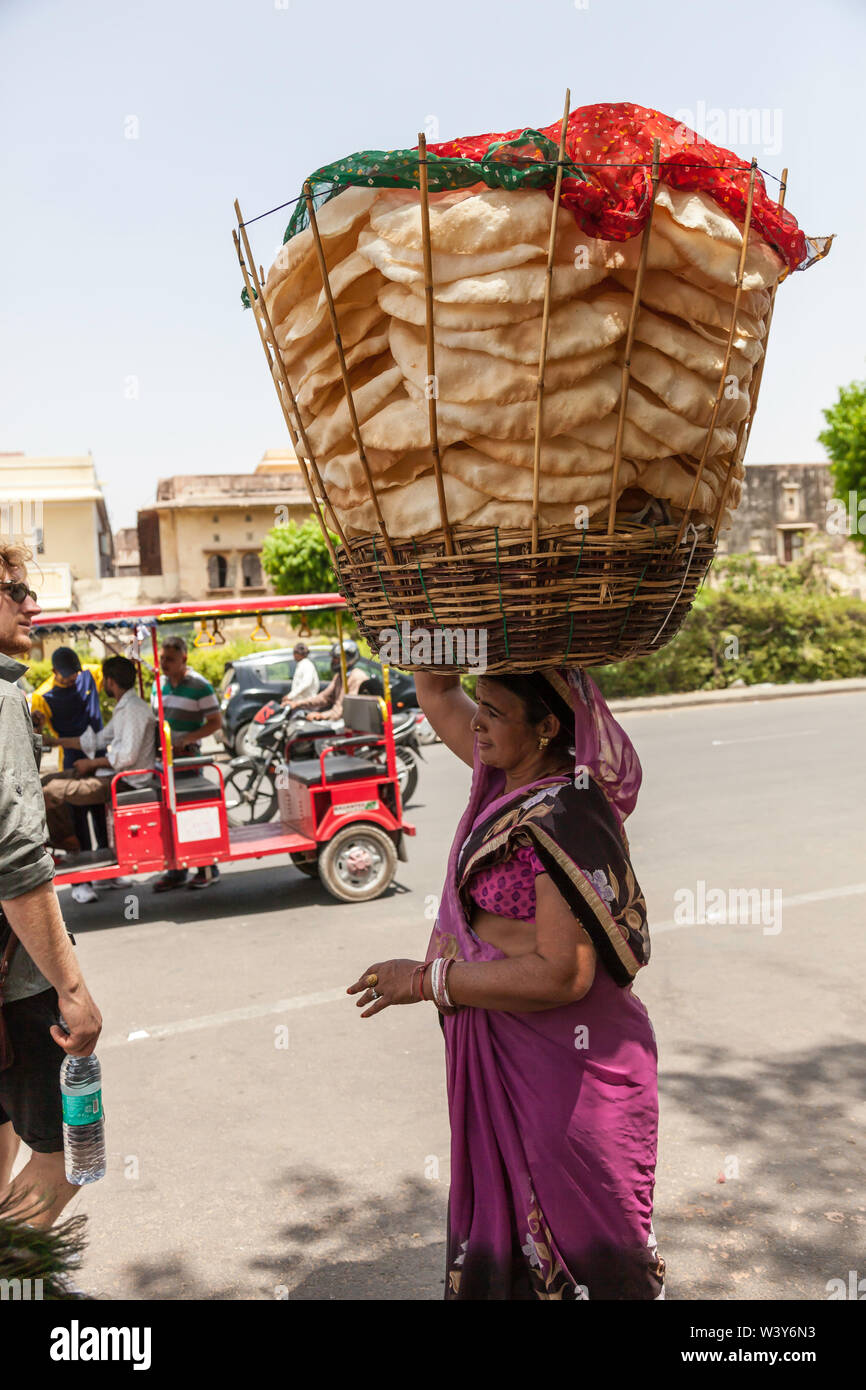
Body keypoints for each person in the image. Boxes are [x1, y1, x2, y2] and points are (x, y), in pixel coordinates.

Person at [348, 666, 665, 1301]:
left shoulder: (564, 812)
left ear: (548, 727)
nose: (478, 724)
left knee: (593, 1256)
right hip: (509, 1052)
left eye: (494, 712)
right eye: (480, 706)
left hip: (568, 1077)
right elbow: (437, 691)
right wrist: (434, 622)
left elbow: (565, 973)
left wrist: (427, 980)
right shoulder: (506, 776)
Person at [0, 543, 102, 1229]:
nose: (32, 603)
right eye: (14, 590)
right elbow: (16, 860)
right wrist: (71, 991)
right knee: (70, 1151)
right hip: (17, 983)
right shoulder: (3, 693)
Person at [41, 656, 157, 877]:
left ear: (111, 681)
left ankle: (68, 843)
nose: (102, 684)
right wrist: (55, 742)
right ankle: (67, 841)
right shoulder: (125, 707)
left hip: (125, 782)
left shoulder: (133, 710)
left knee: (50, 792)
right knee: (44, 782)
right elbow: (99, 739)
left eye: (104, 680)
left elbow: (127, 757)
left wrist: (92, 763)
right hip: (114, 774)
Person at [31, 646, 106, 902]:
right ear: (54, 672)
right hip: (72, 760)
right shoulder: (43, 696)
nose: (73, 678)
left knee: (101, 813)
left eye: (75, 673)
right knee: (78, 818)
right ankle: (82, 882)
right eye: (66, 675)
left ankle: (108, 873)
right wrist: (39, 726)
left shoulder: (91, 674)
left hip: (99, 756)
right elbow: (40, 736)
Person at [151, 635, 222, 891]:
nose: (165, 664)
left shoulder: (200, 686)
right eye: (162, 659)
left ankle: (207, 867)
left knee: (193, 813)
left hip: (188, 760)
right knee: (168, 817)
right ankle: (176, 869)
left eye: (170, 659)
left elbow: (215, 722)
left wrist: (187, 738)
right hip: (162, 762)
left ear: (184, 658)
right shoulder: (158, 684)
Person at [281, 639, 366, 722]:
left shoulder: (356, 677)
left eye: (336, 658)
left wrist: (322, 715)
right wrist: (297, 703)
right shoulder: (339, 677)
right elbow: (324, 697)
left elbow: (343, 709)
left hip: (350, 724)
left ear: (347, 659)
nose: (333, 661)